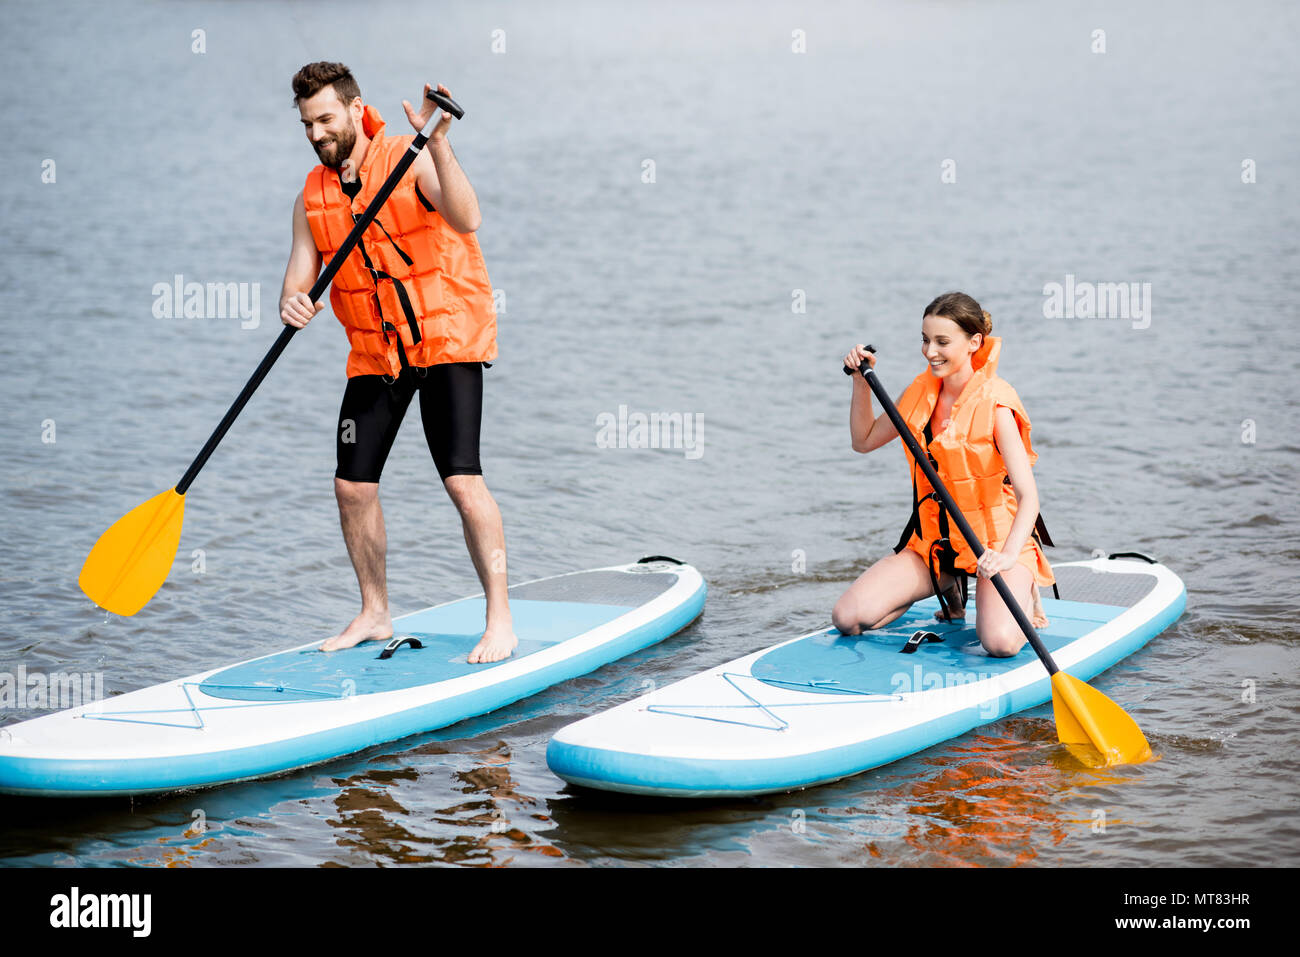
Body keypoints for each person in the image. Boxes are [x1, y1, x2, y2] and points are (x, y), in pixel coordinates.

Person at [278, 61, 516, 663]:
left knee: (463, 481)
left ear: (357, 111)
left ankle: (501, 620)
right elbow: (297, 279)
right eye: (308, 124)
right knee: (351, 486)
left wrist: (438, 144)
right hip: (376, 354)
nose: (317, 133)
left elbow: (467, 217)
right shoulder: (313, 195)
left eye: (326, 119)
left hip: (444, 341)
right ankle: (375, 611)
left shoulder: (408, 158)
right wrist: (292, 303)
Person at [831, 292, 1054, 657]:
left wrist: (1007, 556)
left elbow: (1029, 497)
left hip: (994, 546)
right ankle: (948, 585)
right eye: (925, 339)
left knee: (998, 643)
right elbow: (864, 440)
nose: (930, 351)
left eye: (942, 342)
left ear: (974, 343)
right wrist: (859, 380)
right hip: (935, 548)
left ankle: (1023, 596)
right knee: (848, 617)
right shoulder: (919, 394)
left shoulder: (996, 403)